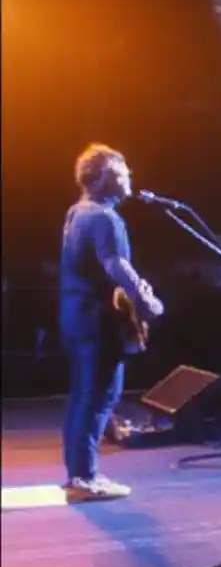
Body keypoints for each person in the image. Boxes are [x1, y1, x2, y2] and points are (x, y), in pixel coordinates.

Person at [59, 144, 164, 501]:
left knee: (82, 397)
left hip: (75, 316)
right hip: (97, 320)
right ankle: (86, 478)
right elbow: (116, 265)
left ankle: (77, 474)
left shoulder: (77, 212)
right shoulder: (104, 217)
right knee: (101, 396)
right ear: (103, 177)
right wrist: (146, 301)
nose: (129, 175)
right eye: (123, 170)